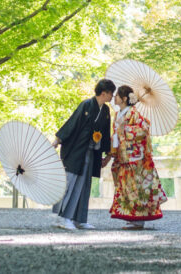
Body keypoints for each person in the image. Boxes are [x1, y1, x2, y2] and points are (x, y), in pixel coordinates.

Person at [51, 78, 115, 230]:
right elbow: (72, 123)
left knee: (84, 185)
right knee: (70, 183)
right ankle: (61, 218)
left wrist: (107, 154)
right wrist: (57, 140)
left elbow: (106, 133)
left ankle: (79, 219)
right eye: (111, 93)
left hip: (92, 152)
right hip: (76, 150)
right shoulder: (86, 105)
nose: (112, 97)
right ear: (104, 93)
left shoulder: (105, 111)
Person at [108, 85, 166, 229]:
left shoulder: (133, 113)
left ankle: (138, 219)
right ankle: (131, 216)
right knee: (126, 187)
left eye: (117, 95)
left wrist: (124, 130)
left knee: (136, 188)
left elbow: (144, 129)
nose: (114, 98)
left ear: (124, 99)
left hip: (135, 158)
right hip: (122, 156)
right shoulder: (118, 114)